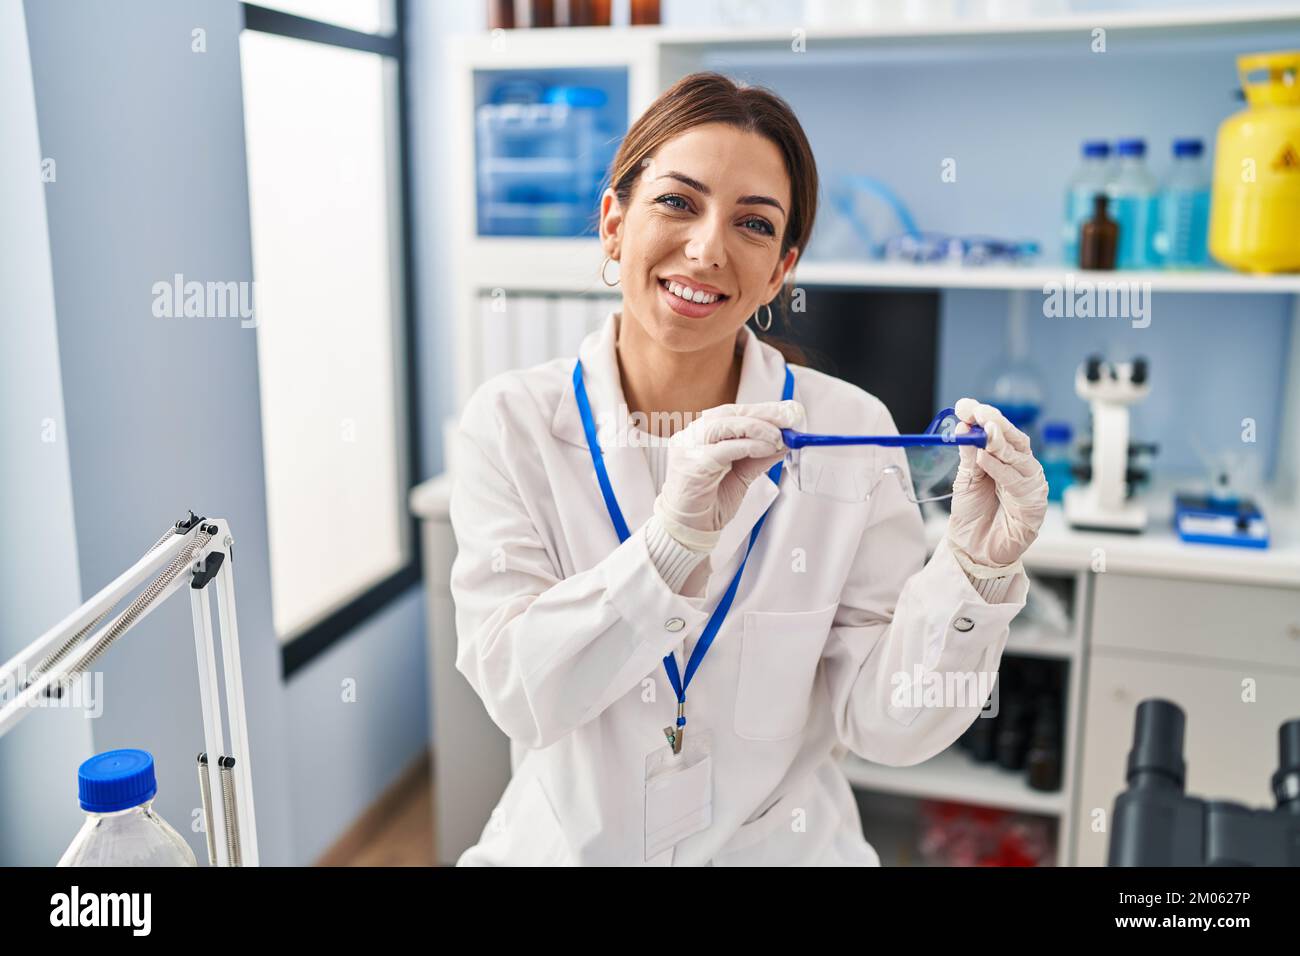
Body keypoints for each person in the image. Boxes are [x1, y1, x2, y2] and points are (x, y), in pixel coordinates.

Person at [448, 72, 1048, 865]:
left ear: (779, 271)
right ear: (613, 223)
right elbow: (523, 695)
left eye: (754, 224)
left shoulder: (850, 432)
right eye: (677, 202)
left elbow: (889, 727)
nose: (707, 248)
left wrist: (974, 572)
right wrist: (668, 548)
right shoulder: (513, 425)